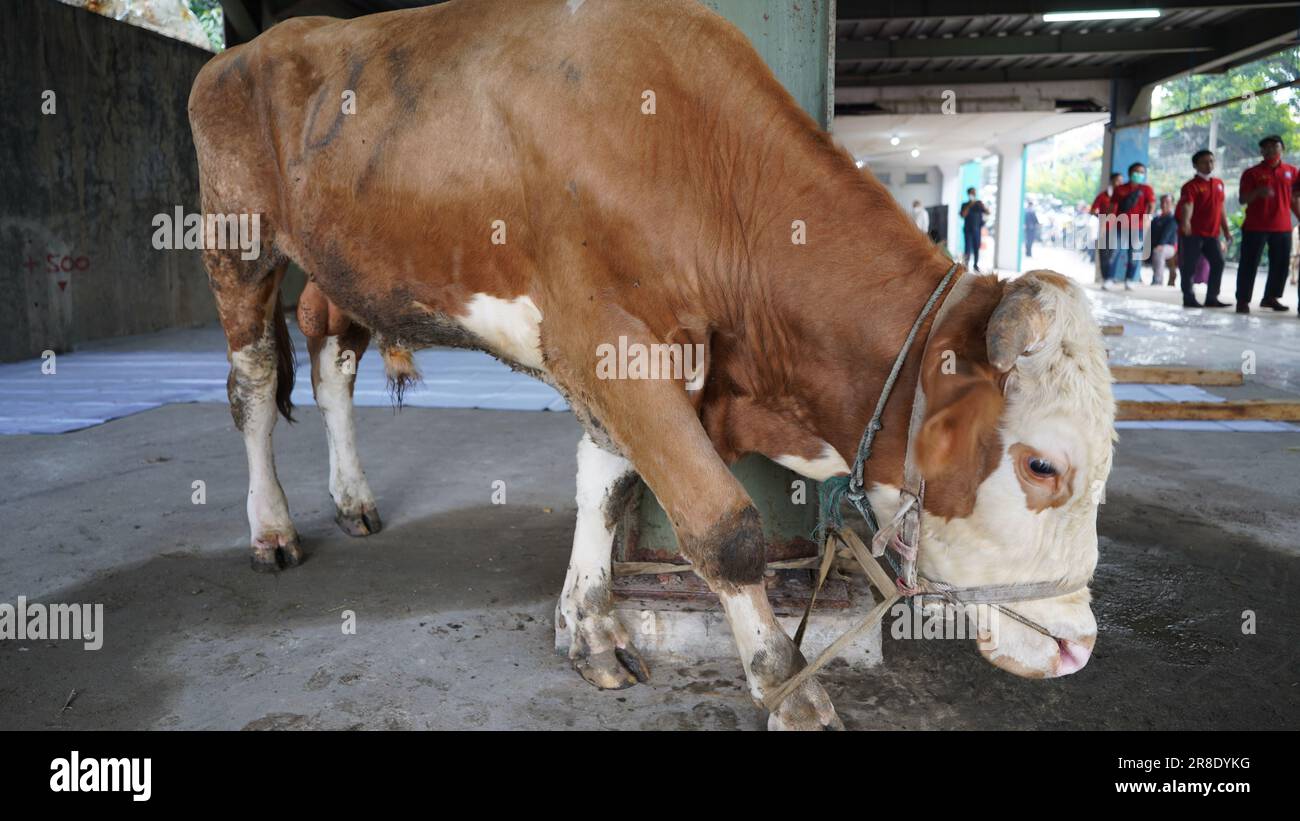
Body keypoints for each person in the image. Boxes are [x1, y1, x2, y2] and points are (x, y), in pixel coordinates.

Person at [1236, 135, 1300, 314]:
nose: (1271, 149)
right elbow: (1242, 199)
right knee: (1249, 264)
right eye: (1267, 147)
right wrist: (1258, 192)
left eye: (1275, 146)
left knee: (1280, 265)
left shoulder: (1292, 172)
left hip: (1282, 226)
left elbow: (1294, 199)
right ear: (1261, 152)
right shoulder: (1251, 173)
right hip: (1255, 226)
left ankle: (1270, 298)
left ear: (1282, 149)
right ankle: (1242, 300)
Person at [1177, 149, 1232, 309]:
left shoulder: (1219, 184)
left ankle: (1212, 298)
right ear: (1195, 165)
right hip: (1193, 233)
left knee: (1218, 263)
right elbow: (1188, 205)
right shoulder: (1190, 186)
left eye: (1211, 161)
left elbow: (1221, 208)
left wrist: (1226, 230)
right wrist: (1186, 222)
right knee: (1189, 266)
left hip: (1212, 234)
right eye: (1204, 162)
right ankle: (1189, 298)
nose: (1209, 165)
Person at [1105, 163, 1155, 290]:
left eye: (1142, 172)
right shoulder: (1120, 189)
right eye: (1136, 171)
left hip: (1138, 226)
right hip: (1120, 225)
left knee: (1134, 255)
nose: (1139, 174)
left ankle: (1130, 280)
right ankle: (1109, 279)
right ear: (1130, 173)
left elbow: (1151, 205)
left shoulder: (1147, 189)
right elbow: (1112, 206)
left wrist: (1147, 219)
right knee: (1114, 252)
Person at [1091, 172, 1123, 280]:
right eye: (1118, 180)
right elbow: (1092, 210)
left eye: (1121, 181)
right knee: (1104, 254)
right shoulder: (1103, 196)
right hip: (1104, 229)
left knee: (1114, 253)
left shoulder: (1123, 197)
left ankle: (1110, 277)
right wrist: (1102, 217)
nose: (1120, 183)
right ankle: (1106, 278)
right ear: (1112, 181)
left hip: (1118, 229)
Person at [1149, 195, 1179, 288]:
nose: (1164, 205)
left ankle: (1157, 281)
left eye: (1167, 202)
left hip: (1170, 247)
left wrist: (1161, 244)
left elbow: (1167, 234)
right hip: (1156, 245)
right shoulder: (1156, 219)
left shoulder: (1173, 219)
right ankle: (1134, 278)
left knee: (1158, 251)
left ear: (1172, 204)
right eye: (1162, 202)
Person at [959, 187, 989, 272]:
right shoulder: (965, 205)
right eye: (971, 193)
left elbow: (987, 212)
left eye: (974, 193)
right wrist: (969, 205)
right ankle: (966, 265)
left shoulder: (978, 204)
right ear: (968, 194)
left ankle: (975, 265)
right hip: (968, 230)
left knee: (976, 247)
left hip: (977, 230)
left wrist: (983, 206)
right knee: (967, 248)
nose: (973, 194)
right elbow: (963, 215)